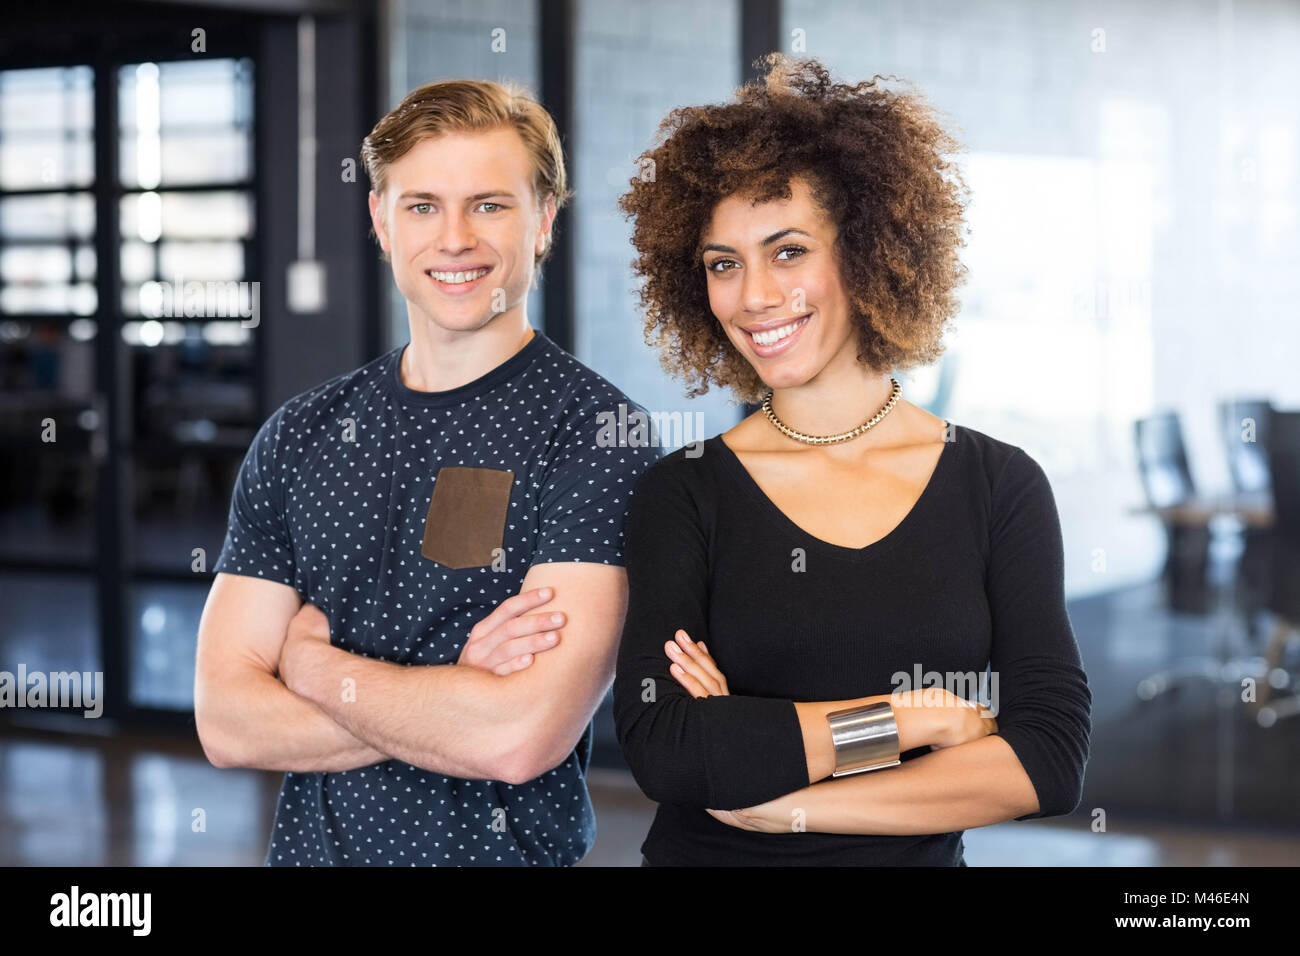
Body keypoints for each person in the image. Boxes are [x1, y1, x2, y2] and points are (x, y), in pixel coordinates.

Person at [612, 54, 1092, 866]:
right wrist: (915, 722)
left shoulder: (997, 485)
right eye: (723, 263)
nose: (753, 294)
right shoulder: (682, 491)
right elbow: (668, 746)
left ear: (869, 252)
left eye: (789, 251)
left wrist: (787, 803)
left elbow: (1046, 759)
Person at [195, 77, 660, 865]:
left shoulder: (596, 436)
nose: (454, 239)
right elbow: (227, 721)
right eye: (422, 206)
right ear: (380, 219)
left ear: (544, 220)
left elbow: (518, 736)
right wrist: (451, 691)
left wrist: (309, 666)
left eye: (490, 204)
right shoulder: (301, 435)